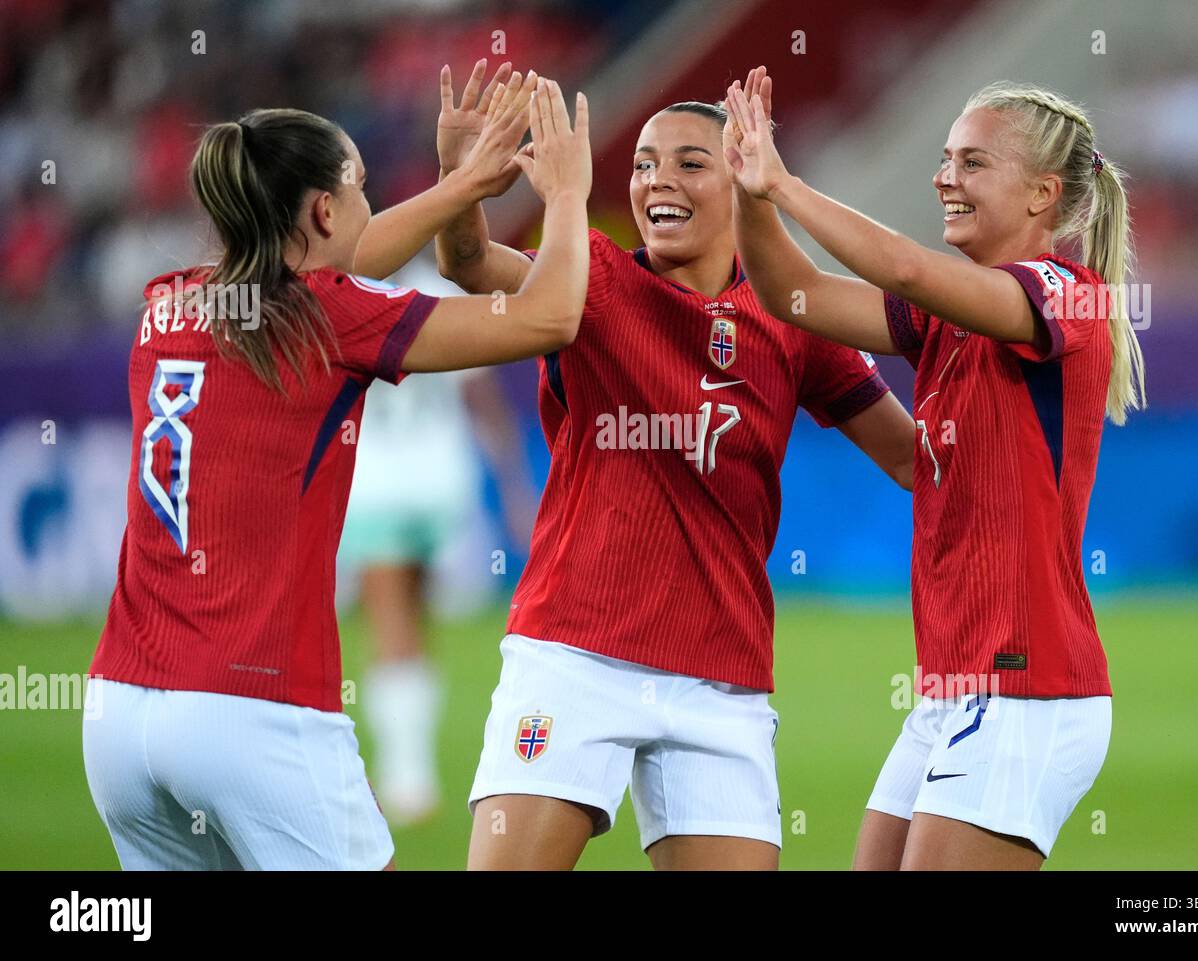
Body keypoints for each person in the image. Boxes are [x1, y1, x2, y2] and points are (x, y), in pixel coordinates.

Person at [82, 74, 592, 869]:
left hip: (118, 713)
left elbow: (330, 268)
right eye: (356, 189)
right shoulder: (332, 318)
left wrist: (457, 186)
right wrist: (564, 194)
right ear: (323, 209)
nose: (364, 206)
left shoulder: (169, 303)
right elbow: (551, 316)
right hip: (253, 707)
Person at [435, 64, 915, 870]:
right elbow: (469, 265)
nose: (658, 180)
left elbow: (913, 458)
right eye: (643, 164)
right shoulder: (592, 277)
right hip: (574, 652)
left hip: (718, 674)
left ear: (741, 176)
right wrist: (460, 178)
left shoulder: (794, 318)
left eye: (689, 162)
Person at [724, 67, 1145, 869]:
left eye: (973, 162)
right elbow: (796, 297)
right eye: (947, 156)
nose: (944, 176)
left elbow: (908, 269)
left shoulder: (1066, 294)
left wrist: (787, 183)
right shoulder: (949, 316)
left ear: (1041, 196)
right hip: (955, 689)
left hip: (1027, 689)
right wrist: (750, 189)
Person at [339, 259, 538, 825]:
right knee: (416, 619)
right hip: (440, 480)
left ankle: (406, 776)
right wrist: (514, 485)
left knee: (388, 624)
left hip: (376, 482)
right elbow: (483, 395)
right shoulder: (437, 289)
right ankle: (411, 767)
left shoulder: (349, 287)